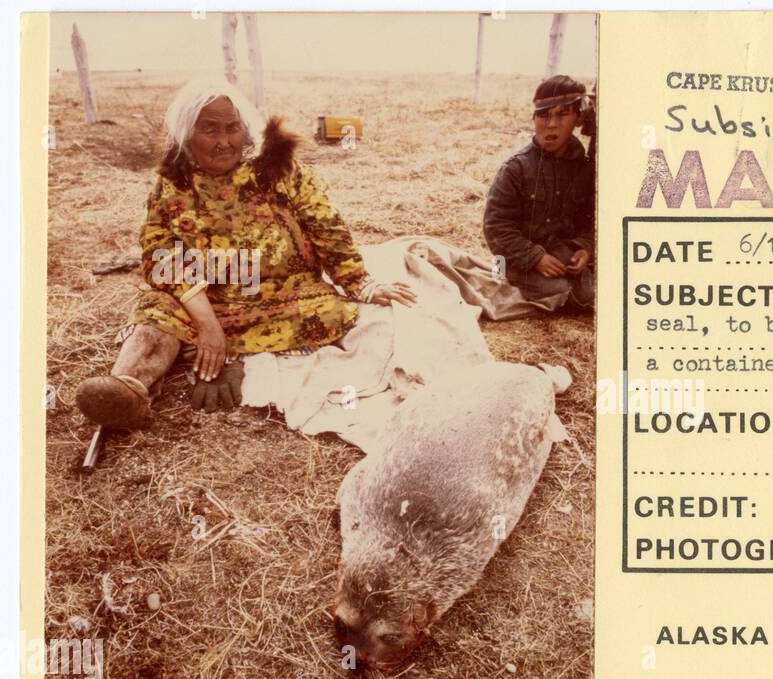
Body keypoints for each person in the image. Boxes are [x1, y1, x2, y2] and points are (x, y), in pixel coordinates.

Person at [75, 78, 415, 427]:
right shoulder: (173, 184)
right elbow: (161, 255)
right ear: (186, 135)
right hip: (208, 303)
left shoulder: (277, 169)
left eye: (233, 128)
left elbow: (325, 225)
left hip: (289, 300)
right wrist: (207, 323)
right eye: (210, 130)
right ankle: (127, 391)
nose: (224, 142)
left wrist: (361, 283)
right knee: (154, 310)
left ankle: (231, 355)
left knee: (349, 318)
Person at [482, 75, 595, 308]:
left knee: (587, 294)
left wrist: (586, 249)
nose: (551, 124)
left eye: (562, 114)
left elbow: (589, 221)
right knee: (558, 291)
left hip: (559, 255)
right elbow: (496, 229)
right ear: (534, 118)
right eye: (544, 115)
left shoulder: (585, 169)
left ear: (578, 117)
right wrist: (536, 258)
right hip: (514, 259)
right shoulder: (516, 168)